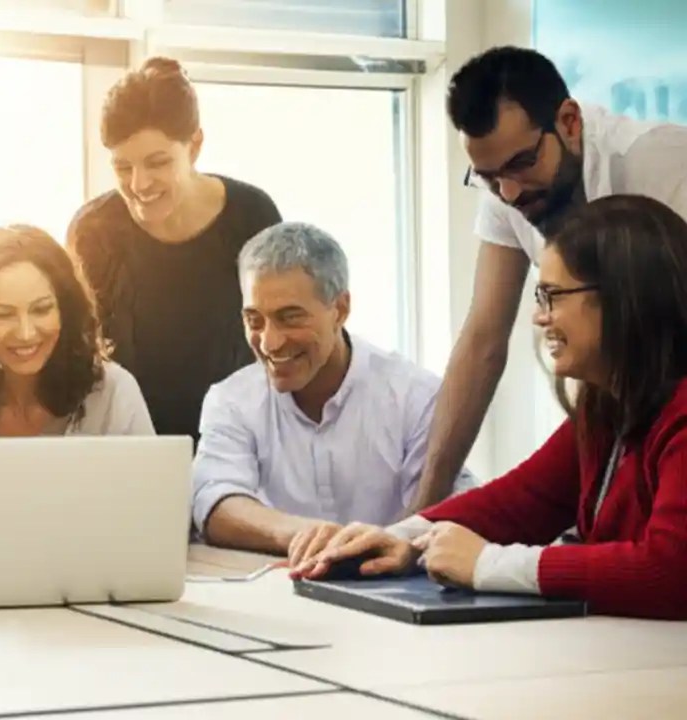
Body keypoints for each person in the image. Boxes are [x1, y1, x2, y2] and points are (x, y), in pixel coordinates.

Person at [294, 195, 687, 620]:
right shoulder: (607, 404)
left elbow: (670, 571)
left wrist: (487, 565)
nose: (540, 318)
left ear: (623, 297)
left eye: (552, 296)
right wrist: (404, 539)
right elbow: (520, 501)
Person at [413, 46, 687, 516]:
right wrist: (418, 516)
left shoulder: (657, 161)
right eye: (489, 176)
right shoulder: (506, 187)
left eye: (522, 164)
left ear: (570, 122)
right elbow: (482, 340)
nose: (509, 192)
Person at [192, 222, 475, 563]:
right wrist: (311, 537)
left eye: (290, 318)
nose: (269, 342)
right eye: (254, 320)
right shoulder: (231, 400)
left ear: (340, 309)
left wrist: (364, 548)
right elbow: (215, 502)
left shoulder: (415, 395)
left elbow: (444, 510)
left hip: (388, 594)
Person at [0, 225, 155, 560]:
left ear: (65, 309)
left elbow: (152, 505)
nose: (25, 332)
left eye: (41, 309)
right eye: (3, 315)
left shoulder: (113, 389)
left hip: (96, 584)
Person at [68, 56, 281, 443]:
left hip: (236, 443)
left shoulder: (252, 217)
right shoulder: (93, 231)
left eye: (157, 162)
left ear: (195, 145)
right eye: (122, 167)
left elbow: (278, 338)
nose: (139, 183)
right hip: (126, 447)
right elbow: (80, 357)